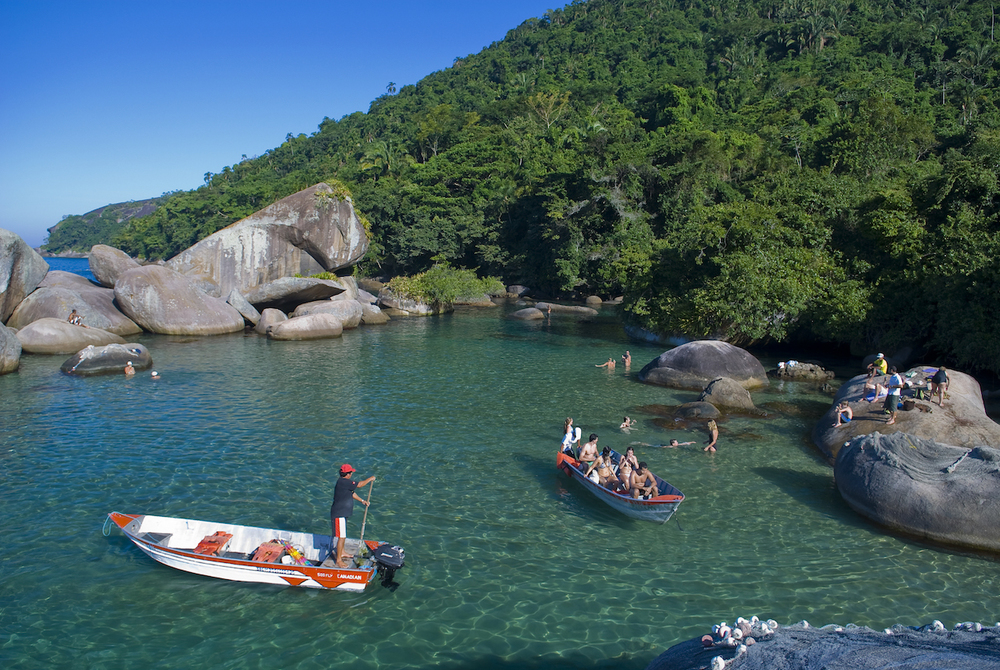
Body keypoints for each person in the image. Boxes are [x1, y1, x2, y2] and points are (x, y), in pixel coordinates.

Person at [330, 463, 375, 568]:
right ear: (348, 474)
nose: (351, 475)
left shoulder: (345, 483)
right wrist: (370, 479)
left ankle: (343, 552)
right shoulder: (344, 482)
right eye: (351, 473)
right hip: (339, 514)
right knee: (342, 537)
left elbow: (351, 493)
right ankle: (338, 560)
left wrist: (362, 501)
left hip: (343, 514)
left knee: (343, 536)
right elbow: (359, 485)